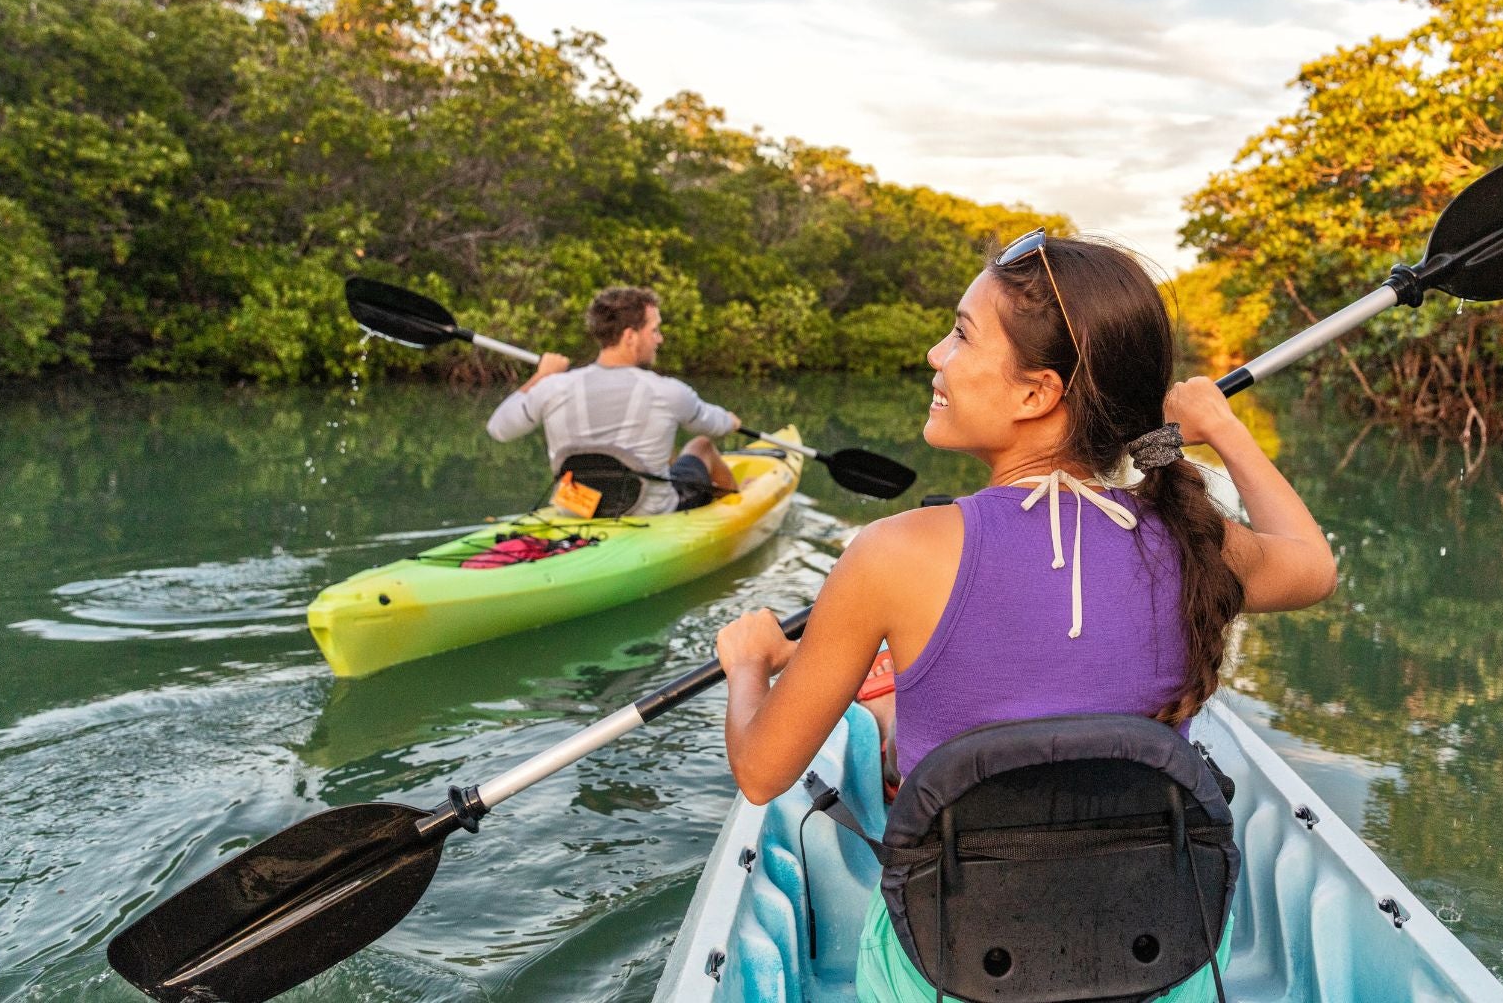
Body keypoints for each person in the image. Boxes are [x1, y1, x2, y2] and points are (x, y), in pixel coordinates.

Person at [713, 230, 1338, 1001]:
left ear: (1037, 392)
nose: (937, 356)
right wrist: (1220, 428)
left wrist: (748, 665)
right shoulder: (1192, 538)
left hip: (954, 971)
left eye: (962, 335)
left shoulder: (893, 552)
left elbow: (762, 771)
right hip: (1153, 963)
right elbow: (1312, 565)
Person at [486, 286, 742, 514]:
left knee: (667, 456)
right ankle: (739, 501)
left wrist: (540, 376)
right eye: (654, 330)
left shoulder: (553, 386)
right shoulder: (668, 391)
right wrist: (731, 421)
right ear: (630, 336)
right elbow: (715, 425)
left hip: (575, 510)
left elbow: (499, 428)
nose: (659, 339)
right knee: (701, 446)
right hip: (648, 512)